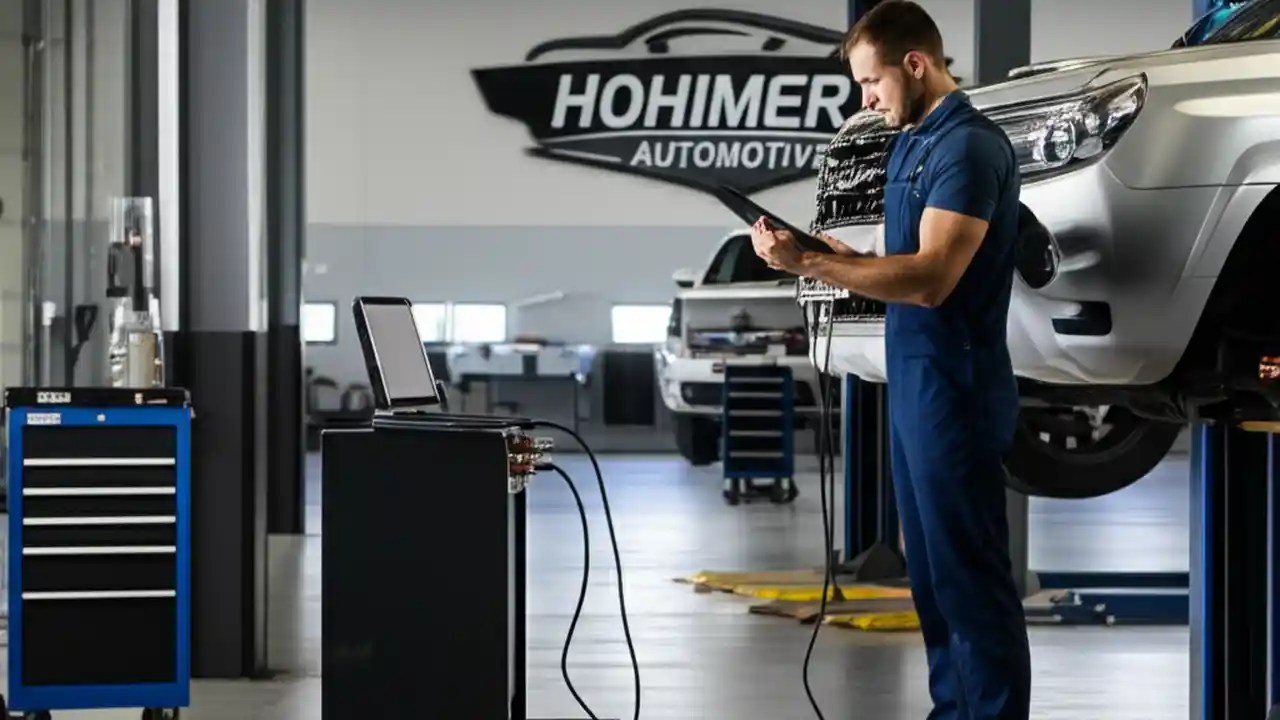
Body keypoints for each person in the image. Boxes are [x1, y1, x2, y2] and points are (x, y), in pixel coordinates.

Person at [749, 2, 1032, 719]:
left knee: (969, 576)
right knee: (931, 579)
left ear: (915, 63)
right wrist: (827, 255)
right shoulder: (910, 143)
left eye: (872, 82)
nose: (865, 100)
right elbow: (898, 261)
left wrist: (812, 264)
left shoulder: (968, 147)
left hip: (957, 384)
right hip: (914, 378)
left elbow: (932, 279)